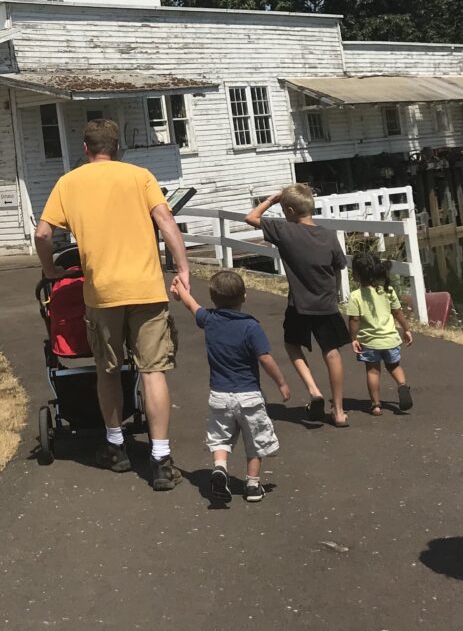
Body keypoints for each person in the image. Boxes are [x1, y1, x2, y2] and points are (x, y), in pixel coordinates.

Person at [35, 118, 192, 491]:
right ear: (117, 147)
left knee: (108, 369)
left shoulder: (68, 183)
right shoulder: (140, 176)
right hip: (147, 288)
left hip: (102, 291)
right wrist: (183, 268)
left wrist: (50, 269)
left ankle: (116, 447)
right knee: (153, 371)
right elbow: (166, 221)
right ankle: (160, 457)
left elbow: (43, 233)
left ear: (86, 149)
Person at [171, 270, 289, 502]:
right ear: (244, 296)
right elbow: (265, 358)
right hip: (249, 396)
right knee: (254, 440)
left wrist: (180, 289)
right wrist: (282, 383)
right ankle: (253, 486)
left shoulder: (210, 319)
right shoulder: (251, 327)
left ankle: (220, 468)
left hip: (220, 395)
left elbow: (191, 305)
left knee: (220, 438)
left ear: (214, 298)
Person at [244, 184, 351, 426]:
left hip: (299, 304)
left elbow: (250, 217)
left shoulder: (284, 230)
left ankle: (314, 390)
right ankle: (340, 411)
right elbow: (338, 268)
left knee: (292, 345)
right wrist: (335, 293)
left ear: (290, 210)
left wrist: (271, 199)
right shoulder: (328, 235)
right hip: (326, 303)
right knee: (331, 353)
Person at [345, 250, 415, 415]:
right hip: (390, 339)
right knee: (394, 366)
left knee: (373, 371)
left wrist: (353, 338)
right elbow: (398, 312)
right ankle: (402, 385)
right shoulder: (388, 290)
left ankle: (376, 405)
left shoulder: (356, 296)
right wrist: (406, 329)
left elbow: (354, 320)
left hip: (369, 342)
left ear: (355, 273)